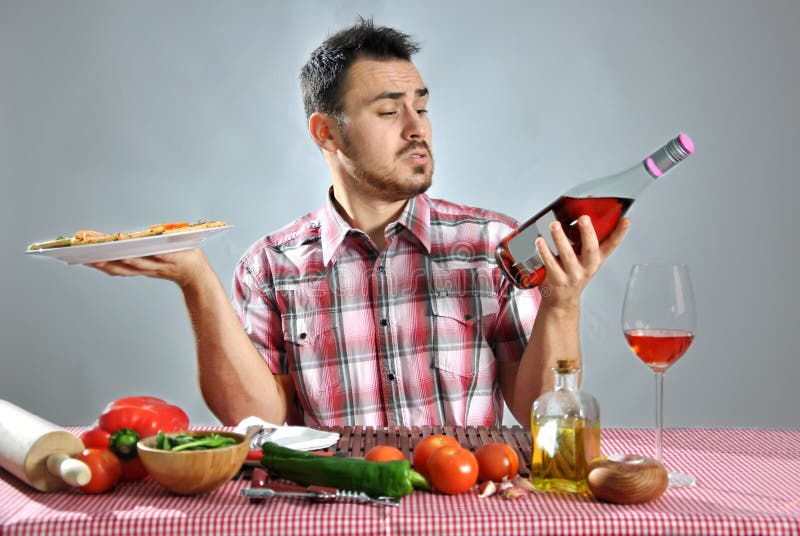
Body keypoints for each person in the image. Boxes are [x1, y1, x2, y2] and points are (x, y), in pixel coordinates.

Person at [91, 19, 628, 428]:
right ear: (326, 132)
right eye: (390, 112)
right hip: (328, 505)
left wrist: (562, 303)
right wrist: (196, 281)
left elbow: (539, 413)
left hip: (463, 499)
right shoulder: (269, 266)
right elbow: (256, 420)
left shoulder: (491, 244)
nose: (418, 128)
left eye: (422, 107)